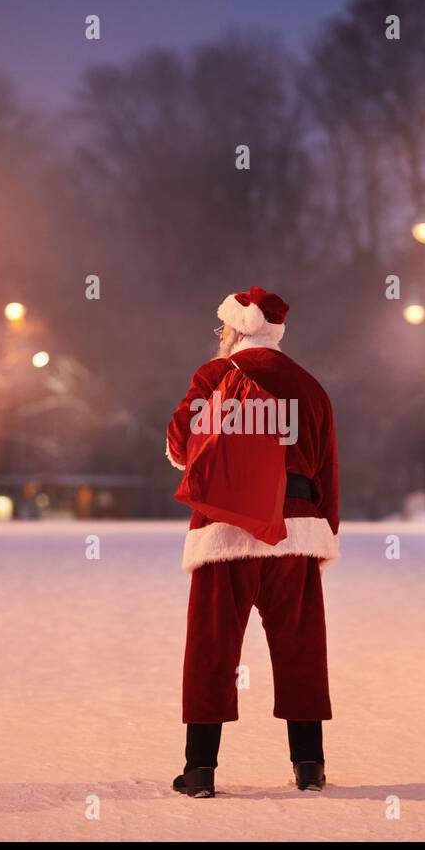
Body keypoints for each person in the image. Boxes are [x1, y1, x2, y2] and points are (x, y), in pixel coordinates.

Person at [164, 286, 339, 798]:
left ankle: (200, 769)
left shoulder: (216, 375)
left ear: (236, 328)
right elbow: (326, 467)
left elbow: (179, 447)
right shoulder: (310, 388)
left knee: (212, 646)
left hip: (225, 527)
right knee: (301, 647)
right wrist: (327, 532)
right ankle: (309, 764)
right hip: (295, 528)